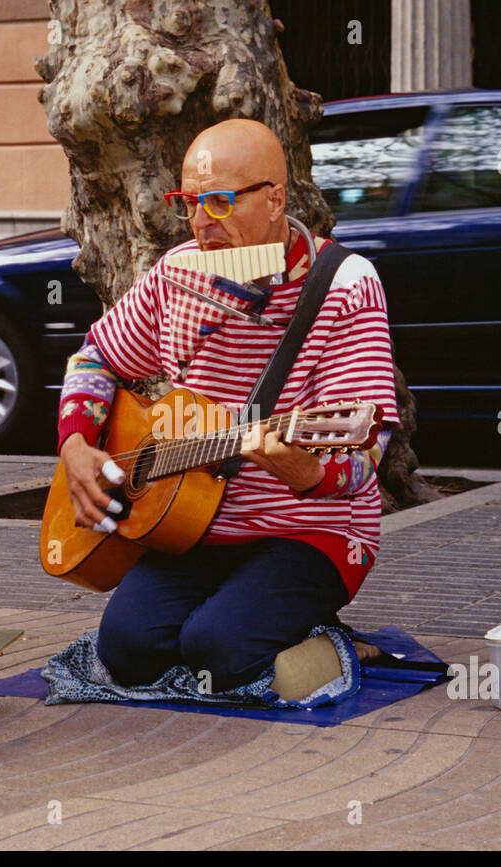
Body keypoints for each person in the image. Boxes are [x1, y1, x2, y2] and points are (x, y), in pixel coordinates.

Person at [57, 118, 399, 700]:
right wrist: (77, 445)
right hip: (195, 524)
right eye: (189, 204)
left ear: (275, 199)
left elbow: (369, 443)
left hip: (314, 530)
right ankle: (254, 618)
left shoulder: (345, 282)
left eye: (219, 203)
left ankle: (322, 635)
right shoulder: (177, 272)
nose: (200, 225)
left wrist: (312, 473)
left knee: (218, 649)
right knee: (128, 650)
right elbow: (95, 358)